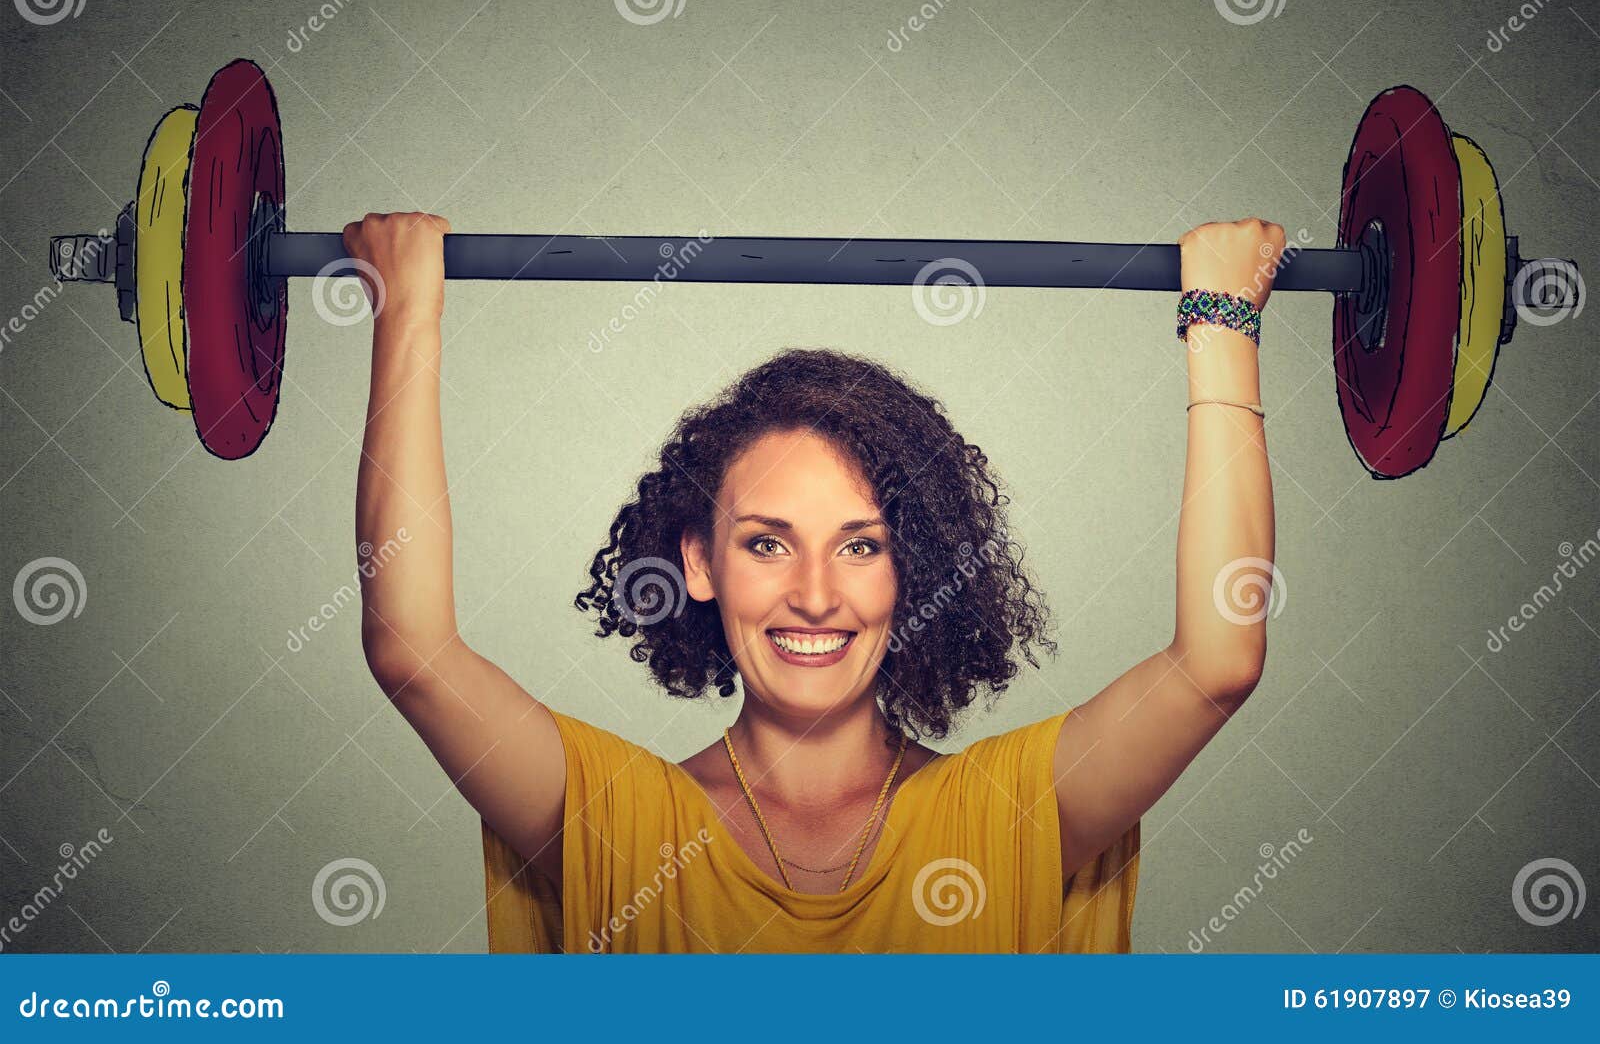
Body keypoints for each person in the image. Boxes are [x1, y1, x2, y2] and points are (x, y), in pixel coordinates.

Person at [344, 212, 1280, 953]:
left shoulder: (1010, 815)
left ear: (913, 572)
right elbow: (413, 651)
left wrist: (1223, 324)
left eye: (862, 546)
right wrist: (407, 310)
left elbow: (1218, 659)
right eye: (766, 544)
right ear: (699, 564)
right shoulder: (617, 824)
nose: (817, 596)